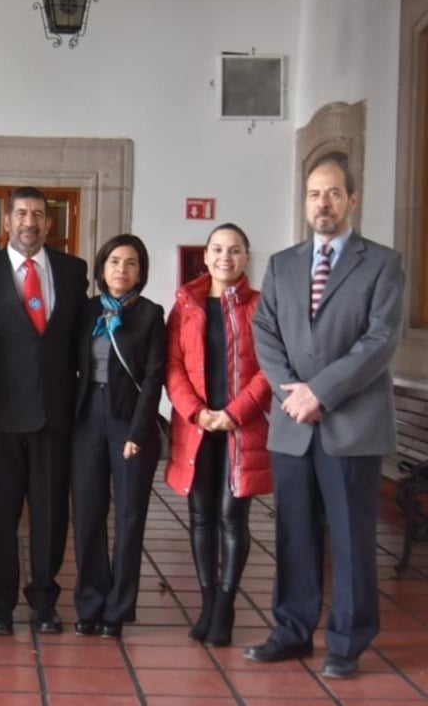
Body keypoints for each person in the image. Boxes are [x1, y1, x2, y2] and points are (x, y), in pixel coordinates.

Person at [247, 155, 405, 679]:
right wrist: (293, 395)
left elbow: (380, 341)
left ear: (352, 199)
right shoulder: (283, 264)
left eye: (334, 193)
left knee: (352, 536)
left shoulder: (383, 263)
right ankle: (291, 631)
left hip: (350, 424)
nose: (323, 203)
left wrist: (320, 391)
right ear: (305, 200)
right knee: (294, 532)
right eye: (315, 193)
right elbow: (264, 332)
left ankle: (347, 641)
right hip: (292, 424)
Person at [0, 186, 87, 635]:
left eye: (38, 214)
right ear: (6, 221)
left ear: (49, 223)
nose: (30, 222)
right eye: (21, 213)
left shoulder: (74, 272)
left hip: (55, 415)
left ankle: (44, 600)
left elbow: (77, 343)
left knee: (51, 512)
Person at [165, 223, 271, 647]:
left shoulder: (262, 307)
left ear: (246, 258)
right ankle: (207, 604)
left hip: (240, 429)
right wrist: (197, 412)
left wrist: (234, 413)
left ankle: (225, 607)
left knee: (233, 518)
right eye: (217, 249)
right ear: (205, 257)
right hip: (198, 428)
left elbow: (270, 369)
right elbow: (171, 366)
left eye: (235, 250)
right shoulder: (186, 305)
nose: (225, 257)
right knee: (200, 517)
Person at [70, 234, 165, 640]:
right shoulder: (86, 310)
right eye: (113, 262)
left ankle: (118, 608)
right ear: (101, 267)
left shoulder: (150, 314)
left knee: (129, 517)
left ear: (140, 271)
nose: (121, 270)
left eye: (130, 263)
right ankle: (90, 602)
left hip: (130, 422)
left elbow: (153, 377)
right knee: (88, 513)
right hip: (87, 417)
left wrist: (139, 431)